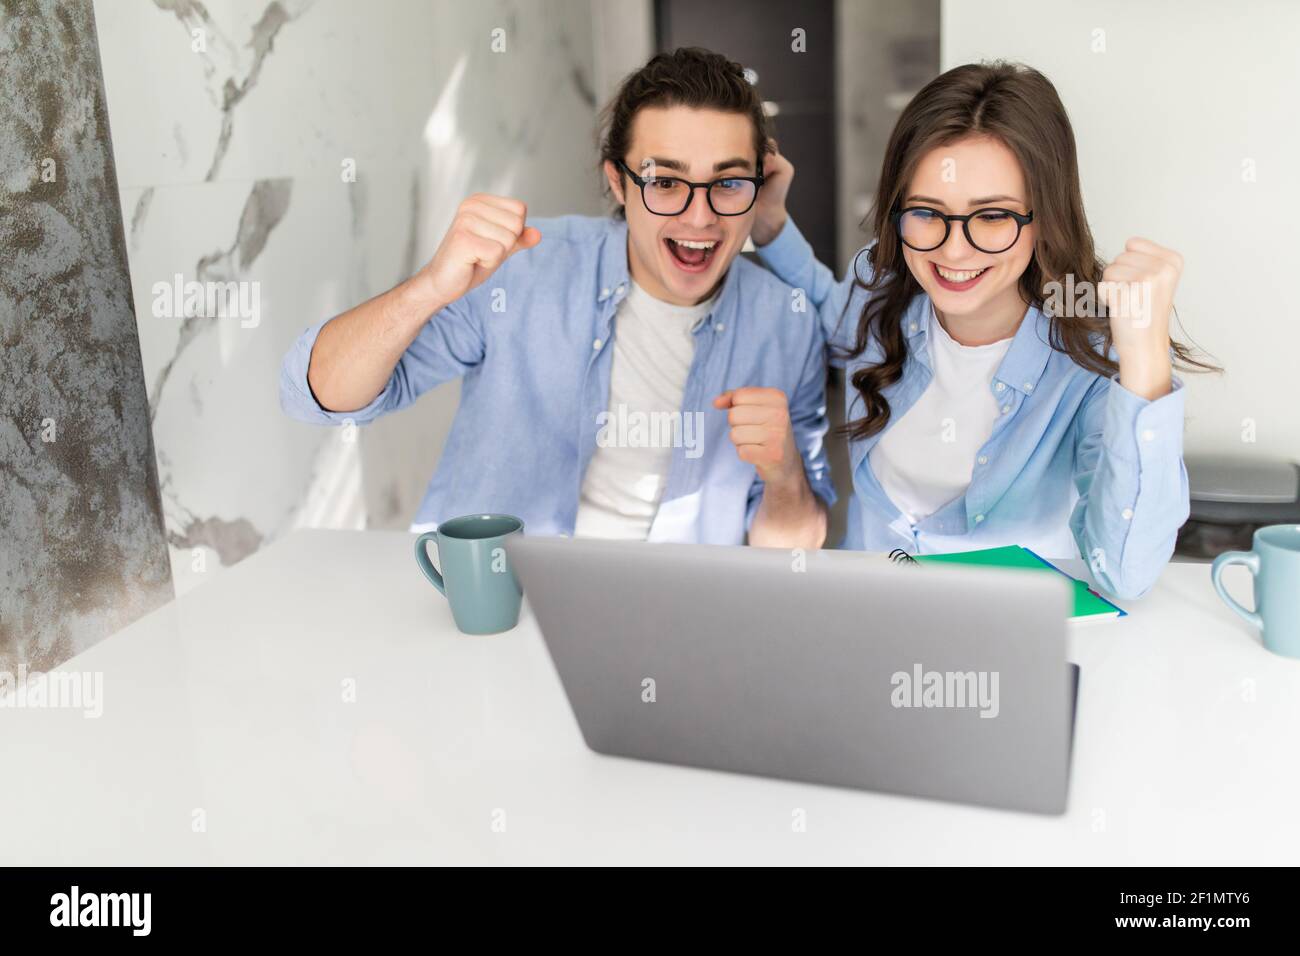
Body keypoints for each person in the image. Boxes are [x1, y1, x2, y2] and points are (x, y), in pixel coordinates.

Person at [279, 48, 833, 547]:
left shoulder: (789, 326)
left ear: (758, 189)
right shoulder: (524, 272)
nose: (700, 215)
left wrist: (784, 474)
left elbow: (790, 553)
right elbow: (320, 397)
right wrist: (430, 287)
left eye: (728, 183)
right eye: (665, 182)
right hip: (498, 613)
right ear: (618, 183)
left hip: (671, 629)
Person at [749, 61, 1216, 598]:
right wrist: (770, 228)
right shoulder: (877, 287)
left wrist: (1145, 360)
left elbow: (1126, 573)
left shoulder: (1089, 361)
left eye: (992, 217)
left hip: (1008, 642)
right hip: (865, 621)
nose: (952, 250)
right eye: (926, 212)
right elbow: (836, 311)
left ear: (1045, 217)